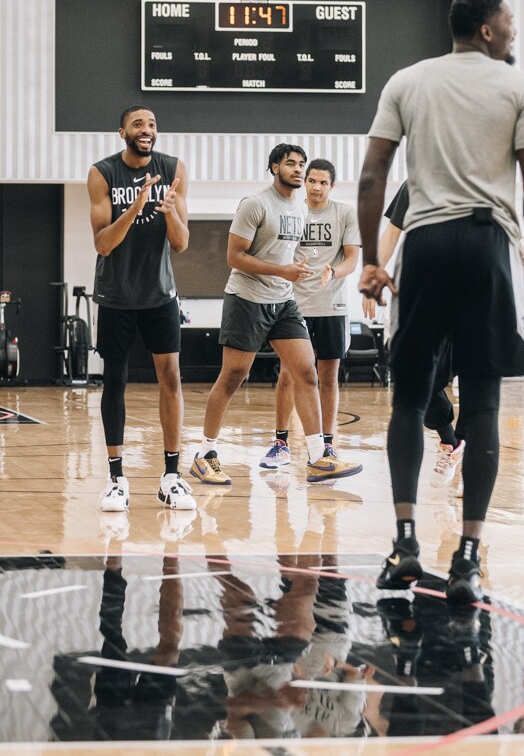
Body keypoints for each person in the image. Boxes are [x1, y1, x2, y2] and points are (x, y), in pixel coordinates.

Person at [357, 0, 524, 603]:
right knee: (484, 403)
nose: (514, 30)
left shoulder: (407, 81)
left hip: (428, 245)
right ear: (488, 31)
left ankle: (406, 544)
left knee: (409, 401)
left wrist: (370, 261)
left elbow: (371, 176)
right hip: (487, 243)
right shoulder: (518, 87)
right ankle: (468, 558)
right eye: (510, 21)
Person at [193, 144, 361, 485]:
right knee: (233, 376)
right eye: (291, 164)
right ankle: (204, 453)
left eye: (301, 164)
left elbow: (297, 252)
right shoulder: (255, 204)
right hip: (246, 300)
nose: (298, 170)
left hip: (283, 303)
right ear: (274, 168)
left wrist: (314, 268)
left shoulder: (299, 209)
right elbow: (234, 257)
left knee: (307, 373)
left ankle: (318, 456)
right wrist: (280, 271)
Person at [88, 105, 196, 514]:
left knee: (170, 377)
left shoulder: (174, 169)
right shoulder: (102, 173)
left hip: (160, 295)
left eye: (151, 124)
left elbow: (182, 244)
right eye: (138, 124)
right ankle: (117, 479)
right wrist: (135, 208)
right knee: (115, 379)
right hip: (115, 295)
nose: (147, 130)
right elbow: (102, 244)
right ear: (122, 133)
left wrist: (169, 213)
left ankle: (172, 477)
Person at [363, 181, 465, 490]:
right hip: (421, 294)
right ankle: (451, 442)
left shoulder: (482, 178)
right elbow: (392, 233)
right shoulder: (416, 183)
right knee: (416, 378)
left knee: (474, 385)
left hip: (469, 294)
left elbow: (510, 236)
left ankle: (466, 467)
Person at [273, 158, 362, 470]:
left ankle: (327, 444)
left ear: (331, 186)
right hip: (293, 305)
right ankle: (280, 442)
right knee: (288, 373)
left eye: (323, 182)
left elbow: (351, 259)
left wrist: (333, 272)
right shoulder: (290, 210)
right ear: (305, 181)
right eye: (312, 180)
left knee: (328, 374)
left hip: (332, 306)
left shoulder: (345, 213)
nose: (316, 187)